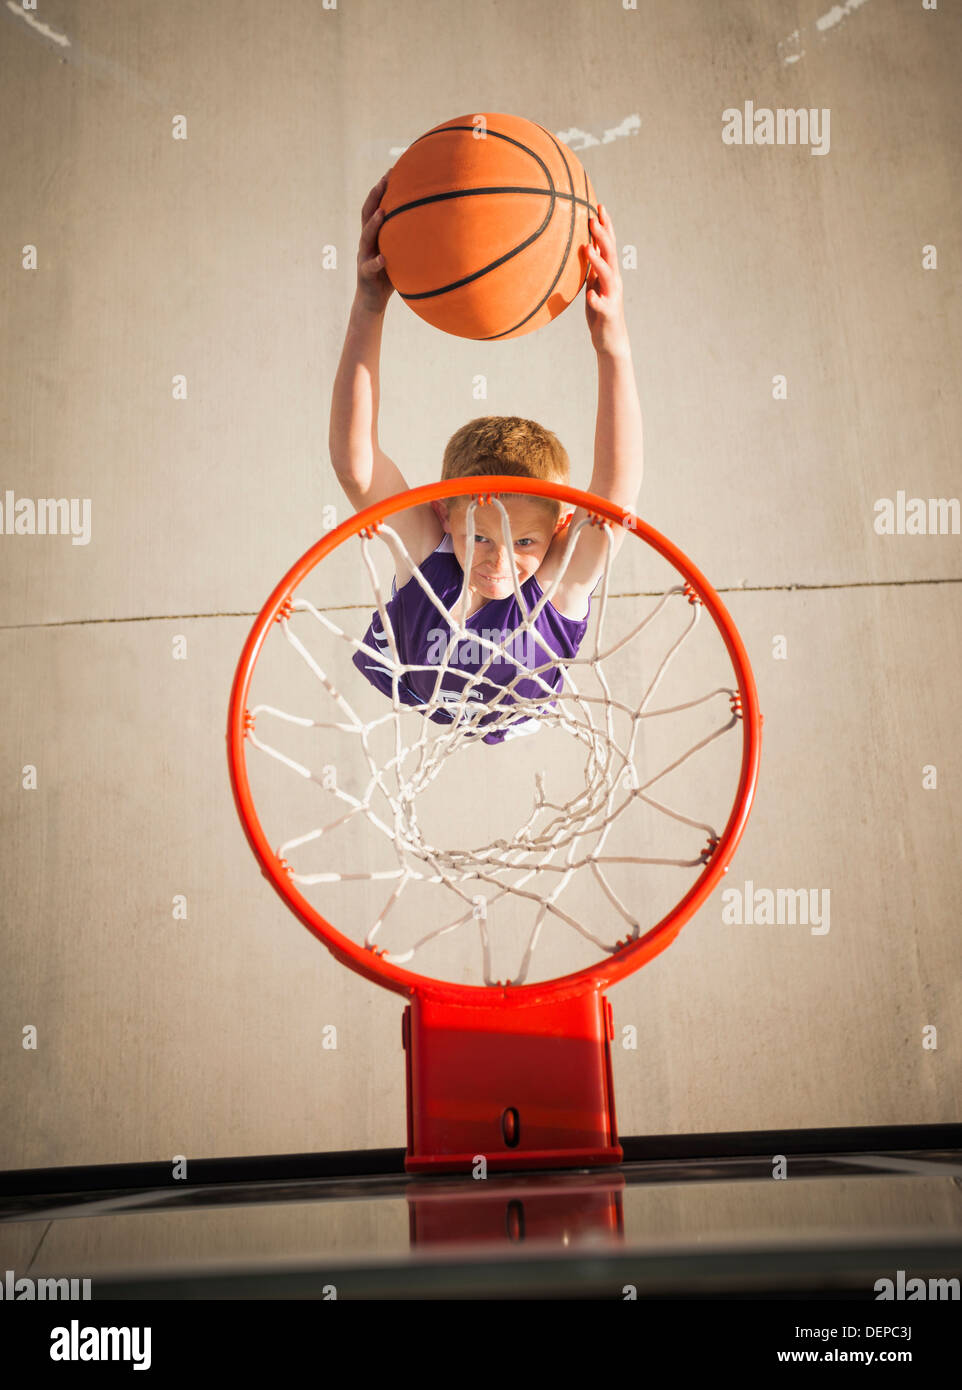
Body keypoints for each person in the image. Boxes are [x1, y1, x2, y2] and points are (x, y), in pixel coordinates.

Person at [328, 172, 644, 743]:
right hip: (425, 693)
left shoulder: (556, 586)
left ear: (559, 528)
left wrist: (612, 343)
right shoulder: (431, 557)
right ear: (446, 517)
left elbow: (615, 493)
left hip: (524, 714)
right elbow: (356, 465)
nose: (500, 561)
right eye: (481, 538)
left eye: (525, 541)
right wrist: (368, 306)